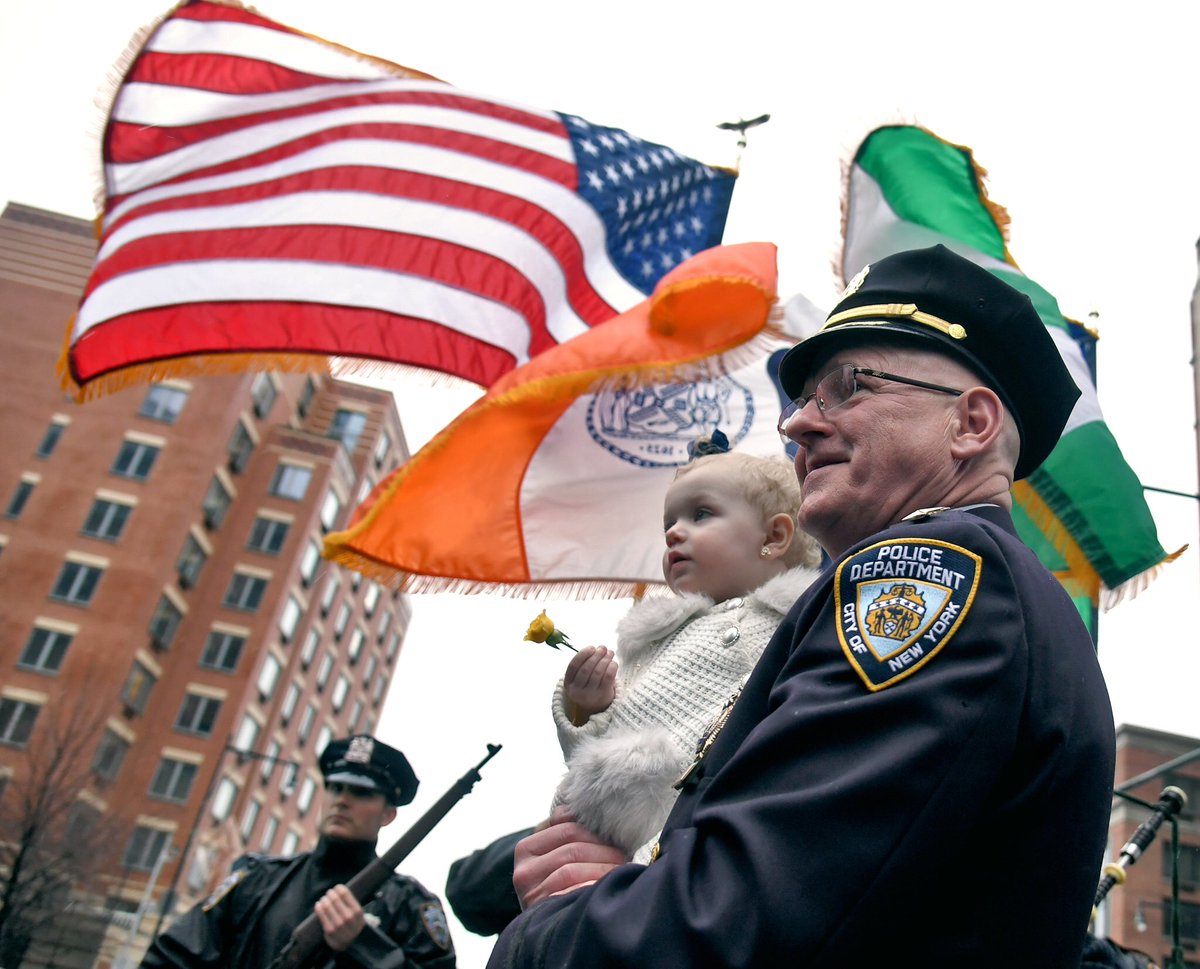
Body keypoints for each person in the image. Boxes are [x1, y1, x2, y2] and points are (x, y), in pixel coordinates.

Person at [487, 244, 1116, 969]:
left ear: (971, 425)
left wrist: (546, 933)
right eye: (805, 398)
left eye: (848, 388)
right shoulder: (986, 582)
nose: (797, 425)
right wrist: (633, 884)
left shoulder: (933, 568)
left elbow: (740, 923)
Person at [551, 434, 823, 861]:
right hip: (591, 832)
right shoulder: (652, 640)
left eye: (701, 514)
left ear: (774, 536)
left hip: (693, 836)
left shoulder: (796, 622)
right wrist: (587, 708)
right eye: (668, 525)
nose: (675, 532)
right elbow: (587, 757)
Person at [142, 735, 456, 969]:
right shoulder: (257, 880)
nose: (342, 800)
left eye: (361, 792)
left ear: (388, 814)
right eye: (335, 788)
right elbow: (171, 958)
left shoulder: (409, 906)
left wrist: (365, 945)